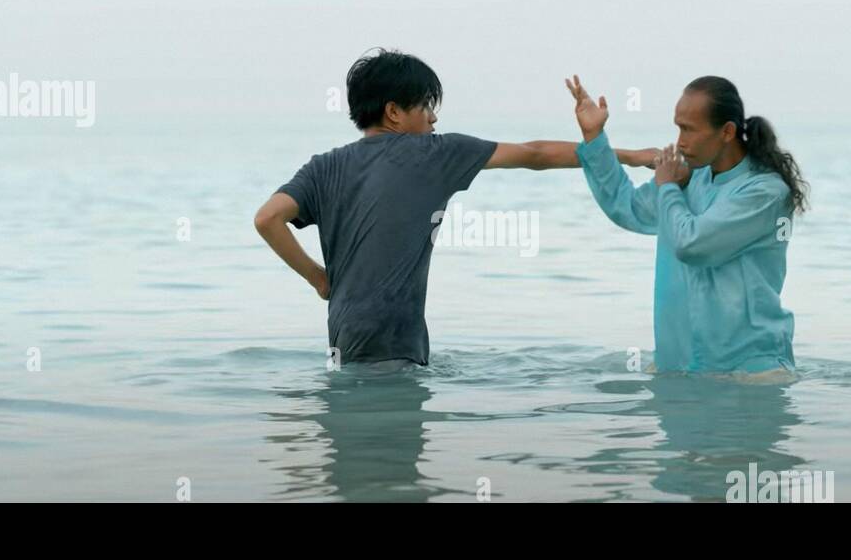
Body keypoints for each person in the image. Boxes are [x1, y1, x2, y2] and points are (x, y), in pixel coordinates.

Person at [254, 50, 655, 366]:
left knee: (352, 458)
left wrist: (319, 280)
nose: (433, 119)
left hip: (343, 339)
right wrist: (629, 154)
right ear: (394, 112)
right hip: (396, 344)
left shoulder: (324, 165)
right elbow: (534, 154)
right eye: (426, 107)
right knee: (395, 462)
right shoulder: (432, 152)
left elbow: (267, 219)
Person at [567, 74, 808, 376]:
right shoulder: (689, 178)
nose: (680, 141)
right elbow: (626, 207)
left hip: (751, 374)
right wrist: (595, 138)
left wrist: (668, 188)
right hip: (678, 370)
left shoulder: (764, 192)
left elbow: (693, 245)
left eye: (689, 130)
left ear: (727, 132)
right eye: (678, 128)